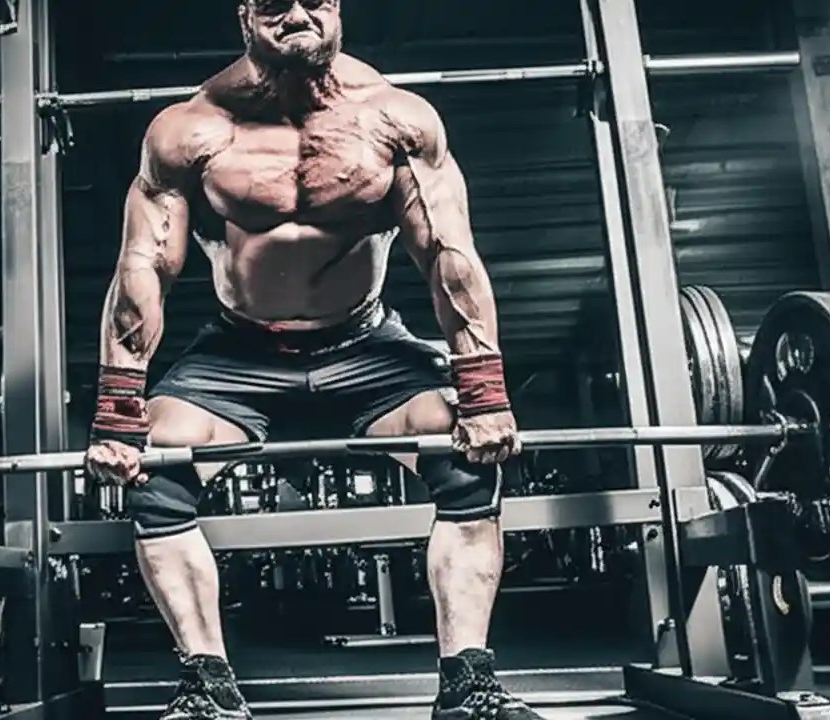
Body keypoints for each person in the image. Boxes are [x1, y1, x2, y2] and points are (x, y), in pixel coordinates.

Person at [85, 1, 540, 718]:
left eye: (314, 0)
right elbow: (144, 265)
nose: (295, 14)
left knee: (466, 458)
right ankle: (210, 688)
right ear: (245, 14)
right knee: (155, 471)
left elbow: (449, 255)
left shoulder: (396, 119)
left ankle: (468, 684)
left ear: (336, 8)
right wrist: (117, 412)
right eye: (274, 2)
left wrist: (484, 391)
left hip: (368, 347)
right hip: (239, 354)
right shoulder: (190, 129)